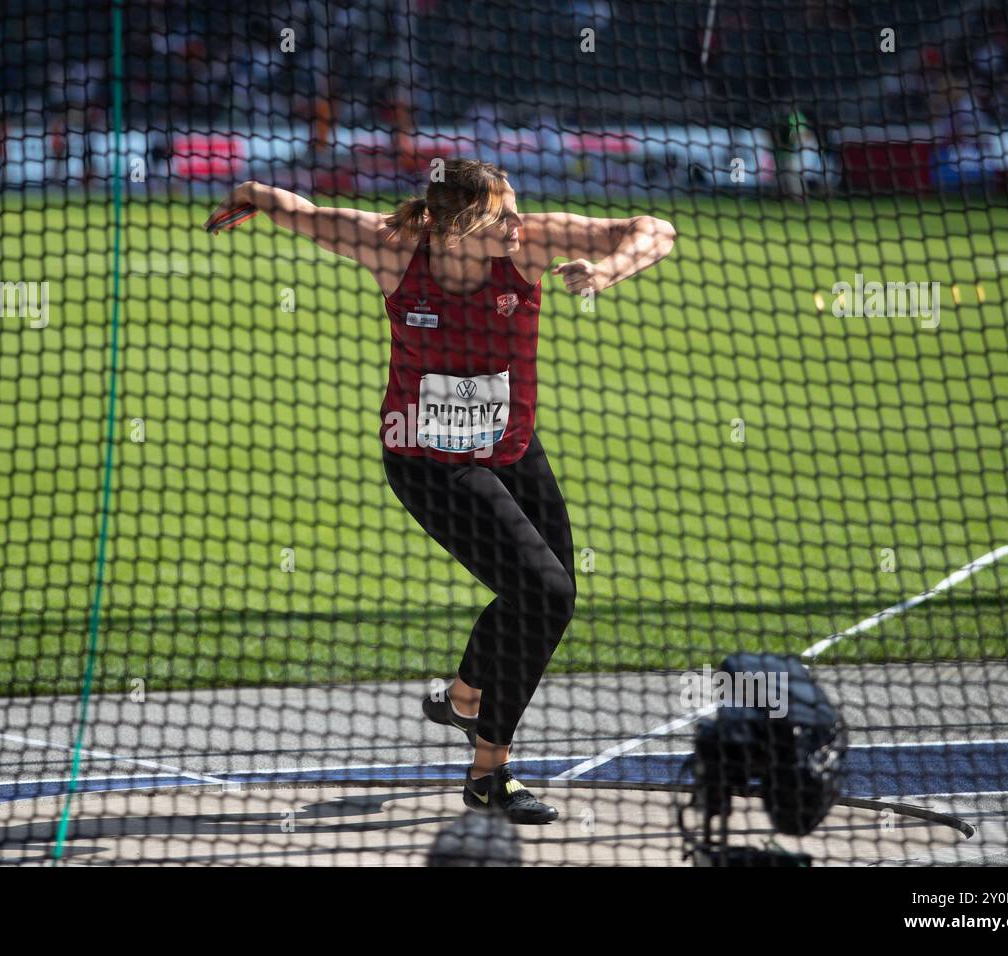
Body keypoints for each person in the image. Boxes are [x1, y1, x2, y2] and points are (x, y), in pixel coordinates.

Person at [206, 159, 676, 823]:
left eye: (517, 208)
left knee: (545, 599)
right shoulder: (393, 251)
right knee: (544, 593)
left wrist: (607, 272)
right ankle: (491, 773)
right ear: (453, 228)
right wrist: (253, 193)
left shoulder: (531, 244)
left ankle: (460, 698)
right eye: (500, 214)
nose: (518, 223)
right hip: (427, 461)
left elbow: (655, 228)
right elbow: (307, 217)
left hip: (511, 452)